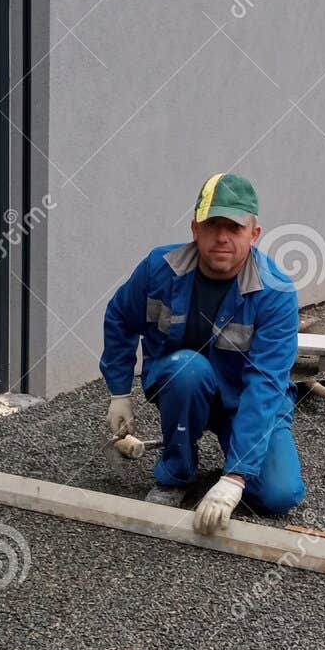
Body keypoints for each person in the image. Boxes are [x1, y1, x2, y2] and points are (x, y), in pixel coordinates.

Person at [100, 173, 305, 535]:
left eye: (234, 227)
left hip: (245, 400)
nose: (222, 237)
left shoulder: (275, 293)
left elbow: (266, 385)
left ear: (254, 234)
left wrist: (236, 477)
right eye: (212, 225)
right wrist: (119, 393)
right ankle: (176, 473)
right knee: (187, 370)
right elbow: (119, 318)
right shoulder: (159, 269)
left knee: (279, 496)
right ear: (195, 229)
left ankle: (233, 461)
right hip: (186, 388)